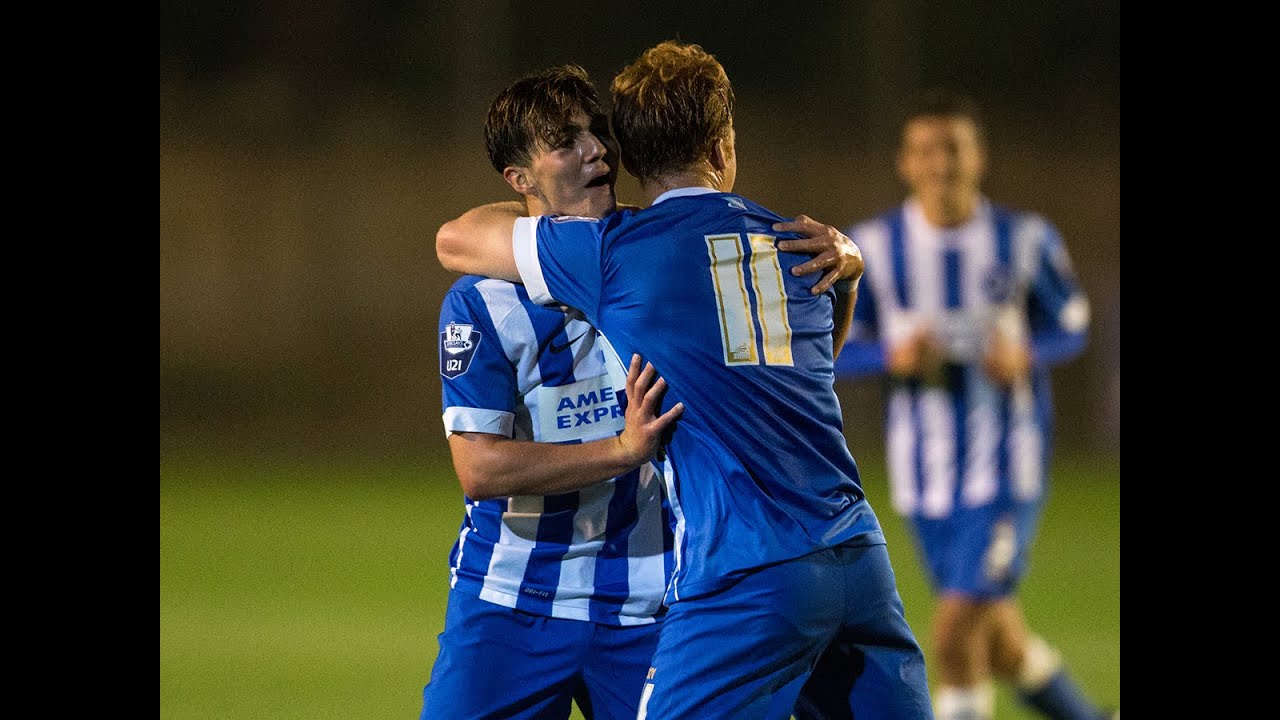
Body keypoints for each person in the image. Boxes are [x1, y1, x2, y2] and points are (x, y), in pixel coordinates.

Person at [436, 41, 933, 719]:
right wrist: (849, 264)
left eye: (598, 134)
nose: (593, 151)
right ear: (723, 147)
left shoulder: (617, 255)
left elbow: (455, 236)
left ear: (633, 158)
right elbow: (810, 366)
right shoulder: (792, 244)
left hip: (720, 576)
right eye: (566, 142)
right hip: (851, 551)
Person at [834, 89, 1114, 720]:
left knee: (955, 630)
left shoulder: (1024, 239)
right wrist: (889, 357)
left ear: (978, 156)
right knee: (1001, 642)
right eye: (927, 150)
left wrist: (1027, 353)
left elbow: (1072, 325)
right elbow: (835, 350)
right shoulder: (871, 248)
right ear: (905, 162)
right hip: (924, 476)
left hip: (1006, 467)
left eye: (954, 149)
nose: (942, 164)